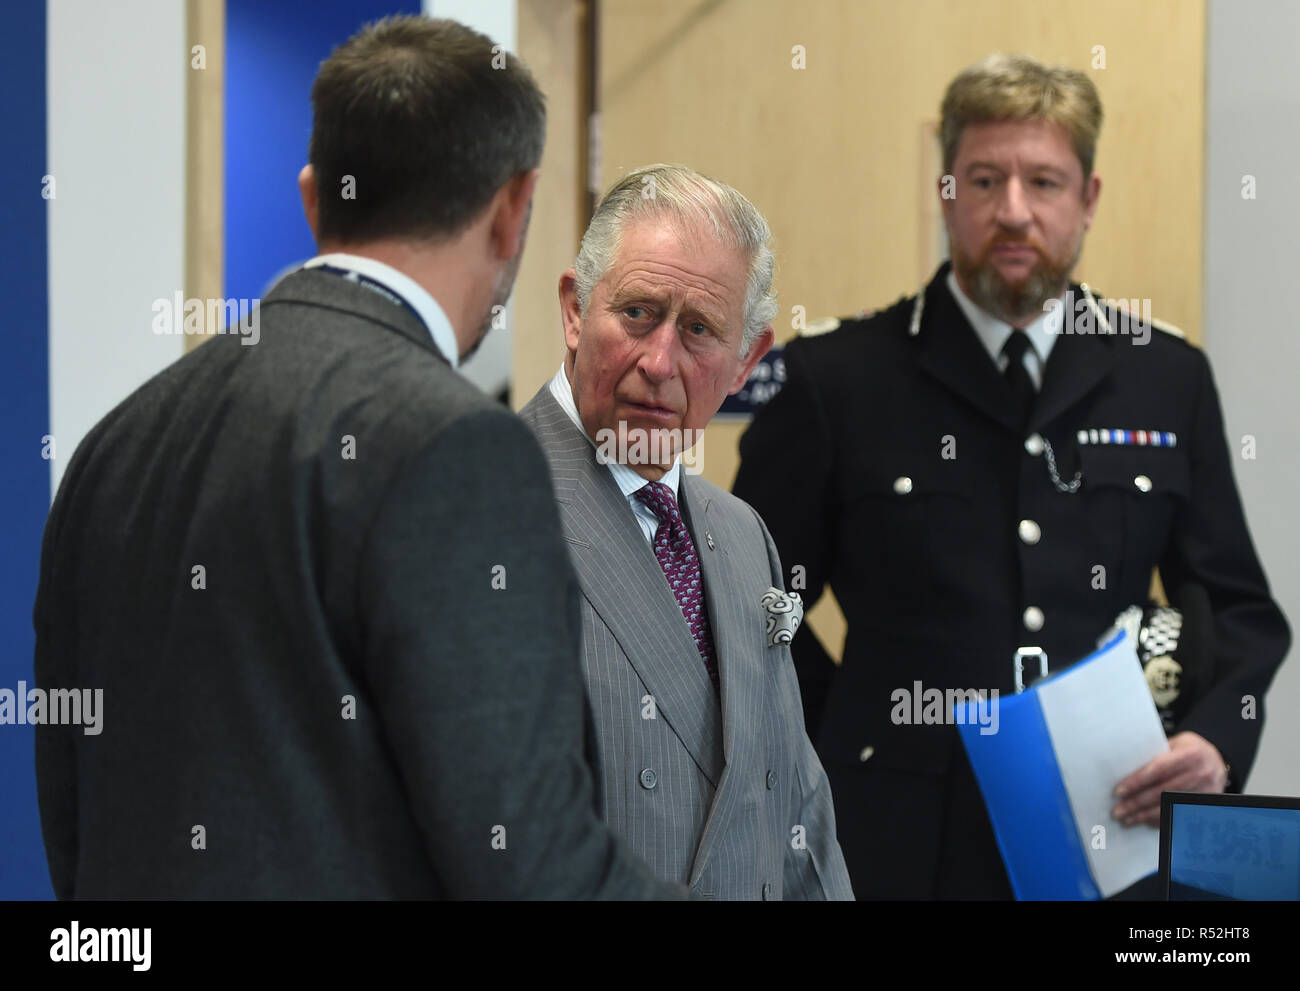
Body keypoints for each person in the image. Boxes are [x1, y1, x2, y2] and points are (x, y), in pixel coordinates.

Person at [33, 15, 680, 900]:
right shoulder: (459, 449)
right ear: (513, 210)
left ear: (312, 197)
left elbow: (73, 818)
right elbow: (529, 865)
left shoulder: (116, 442)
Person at [732, 54, 1290, 899]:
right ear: (946, 191)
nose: (1014, 211)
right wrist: (843, 731)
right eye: (984, 180)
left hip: (1114, 834)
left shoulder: (1165, 377)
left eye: (1045, 182)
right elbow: (752, 603)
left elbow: (1242, 608)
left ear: (1089, 199)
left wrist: (1214, 740)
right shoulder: (836, 380)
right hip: (895, 841)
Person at [518, 164, 853, 900]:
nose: (659, 362)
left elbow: (794, 804)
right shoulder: (488, 507)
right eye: (637, 312)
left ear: (747, 360)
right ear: (575, 309)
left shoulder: (742, 535)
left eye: (700, 329)